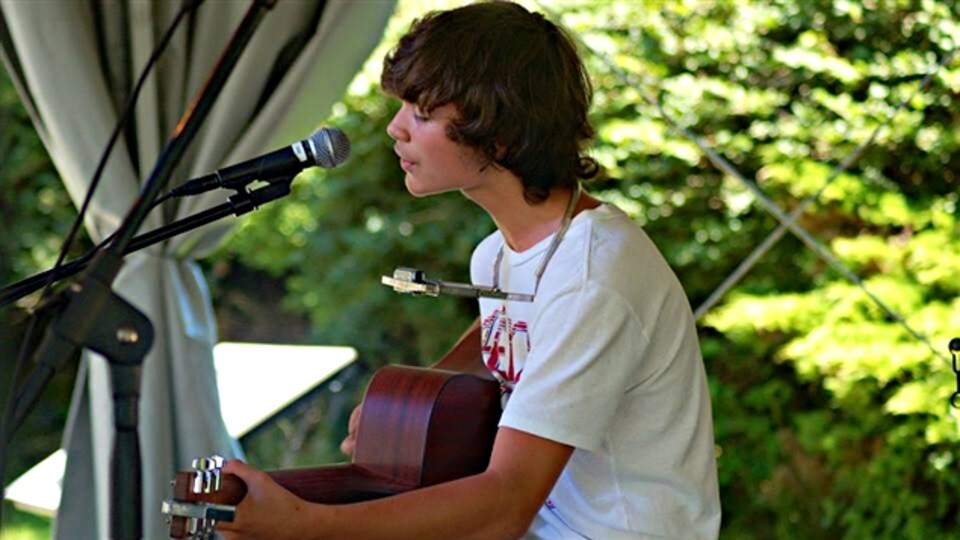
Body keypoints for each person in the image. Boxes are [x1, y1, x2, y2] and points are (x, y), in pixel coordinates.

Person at [219, 2, 721, 538]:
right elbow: (513, 339)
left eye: (422, 113)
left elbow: (505, 506)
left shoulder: (593, 277)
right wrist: (404, 408)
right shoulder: (498, 254)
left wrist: (305, 525)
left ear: (499, 133)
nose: (395, 128)